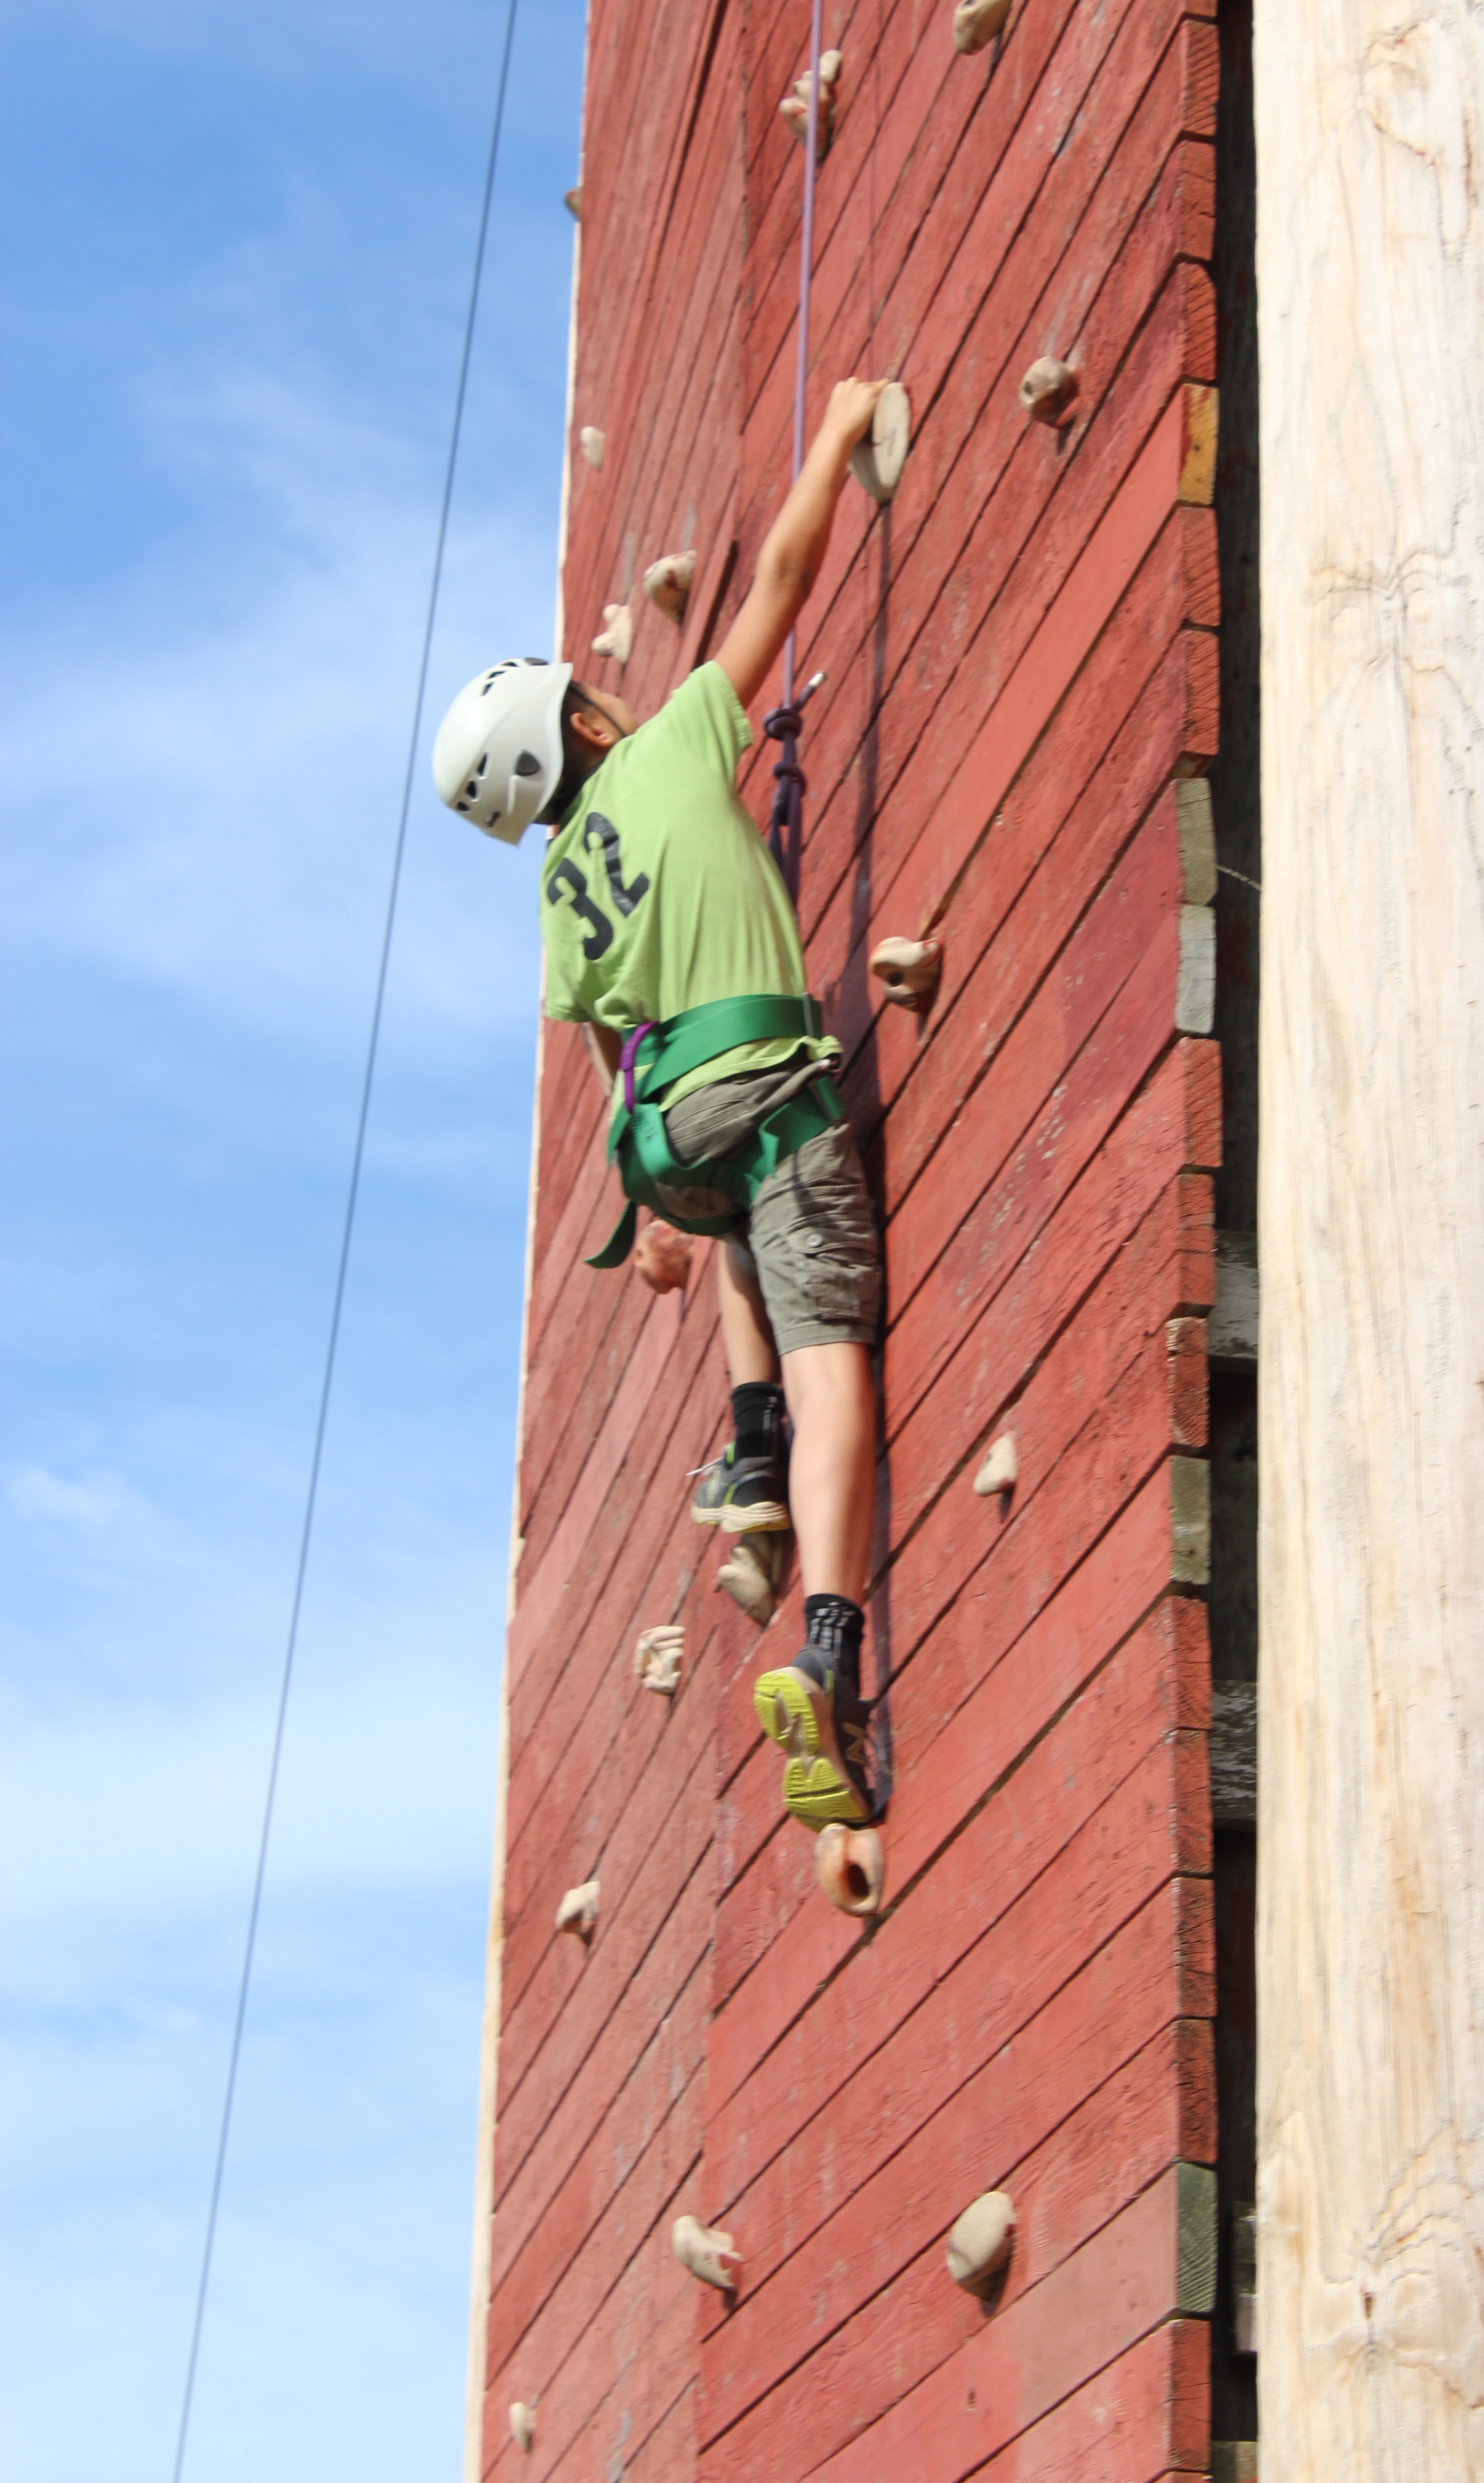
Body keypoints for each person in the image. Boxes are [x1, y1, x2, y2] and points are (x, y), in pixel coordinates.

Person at [431, 376, 887, 1830]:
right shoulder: (678, 736)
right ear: (585, 714)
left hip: (667, 1134)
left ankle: (743, 1442)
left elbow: (596, 1055)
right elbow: (782, 583)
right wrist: (835, 431)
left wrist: (658, 1227)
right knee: (841, 1372)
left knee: (733, 1217)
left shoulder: (563, 888)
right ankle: (828, 1644)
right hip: (762, 1079)